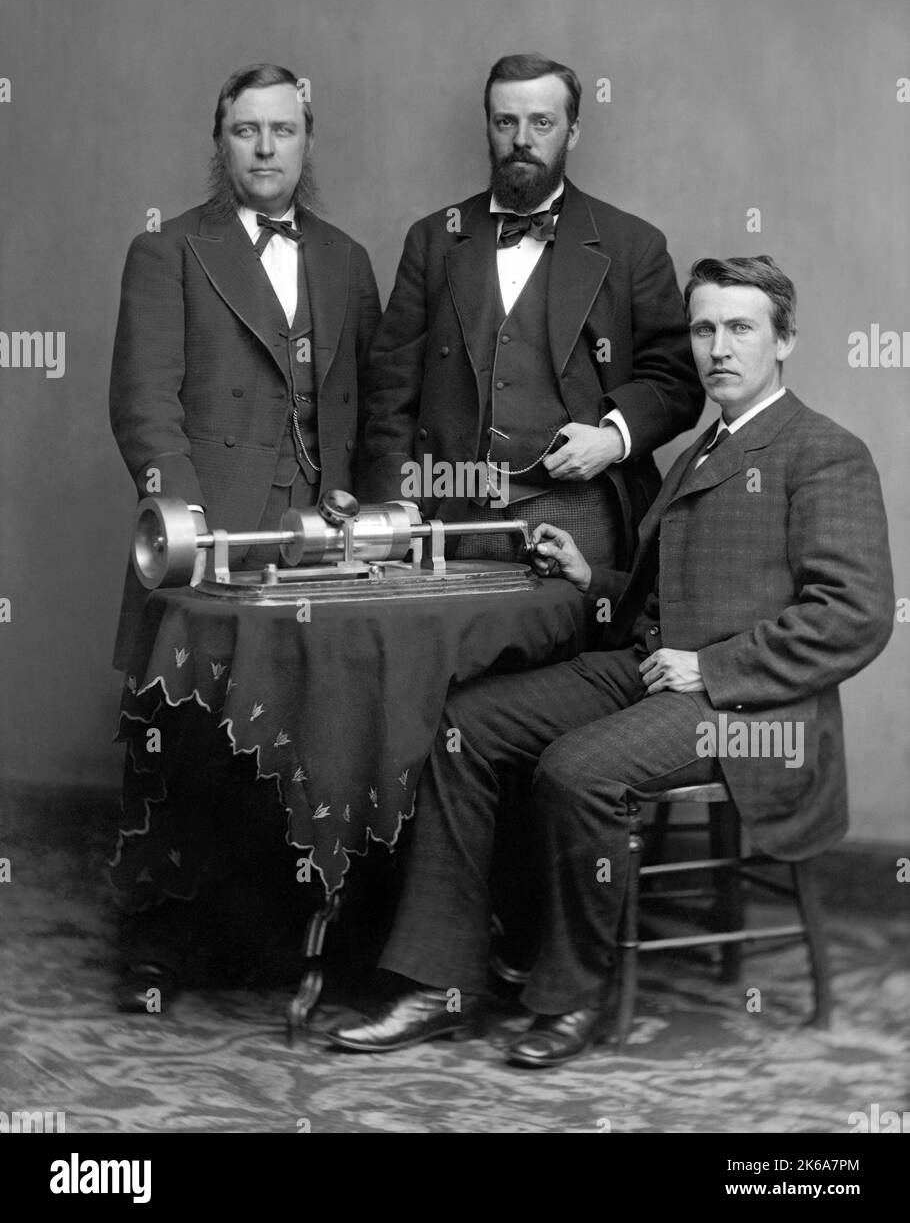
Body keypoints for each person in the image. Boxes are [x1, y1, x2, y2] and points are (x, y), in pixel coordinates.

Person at [327, 255, 894, 1067]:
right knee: (466, 724)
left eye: (741, 329)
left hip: (759, 714)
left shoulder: (824, 452)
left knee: (577, 769)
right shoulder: (703, 449)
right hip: (653, 669)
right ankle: (437, 981)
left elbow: (857, 615)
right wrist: (599, 579)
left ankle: (568, 997)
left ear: (785, 340)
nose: (718, 349)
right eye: (704, 329)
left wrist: (715, 670)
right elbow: (685, 590)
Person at [108, 63, 380, 1009]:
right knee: (181, 745)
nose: (265, 149)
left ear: (308, 140)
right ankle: (157, 946)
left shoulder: (347, 260)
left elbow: (362, 410)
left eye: (282, 131)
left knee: (292, 737)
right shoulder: (170, 250)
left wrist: (358, 508)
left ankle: (265, 940)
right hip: (205, 541)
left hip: (310, 541)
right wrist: (188, 529)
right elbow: (145, 407)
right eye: (245, 132)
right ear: (218, 142)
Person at [362, 52, 704, 569]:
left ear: (572, 132)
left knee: (576, 648)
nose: (522, 138)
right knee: (454, 648)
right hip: (450, 512)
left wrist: (613, 438)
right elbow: (390, 389)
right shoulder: (433, 240)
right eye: (506, 121)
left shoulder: (632, 245)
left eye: (541, 122)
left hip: (582, 512)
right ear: (489, 128)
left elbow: (676, 381)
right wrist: (399, 502)